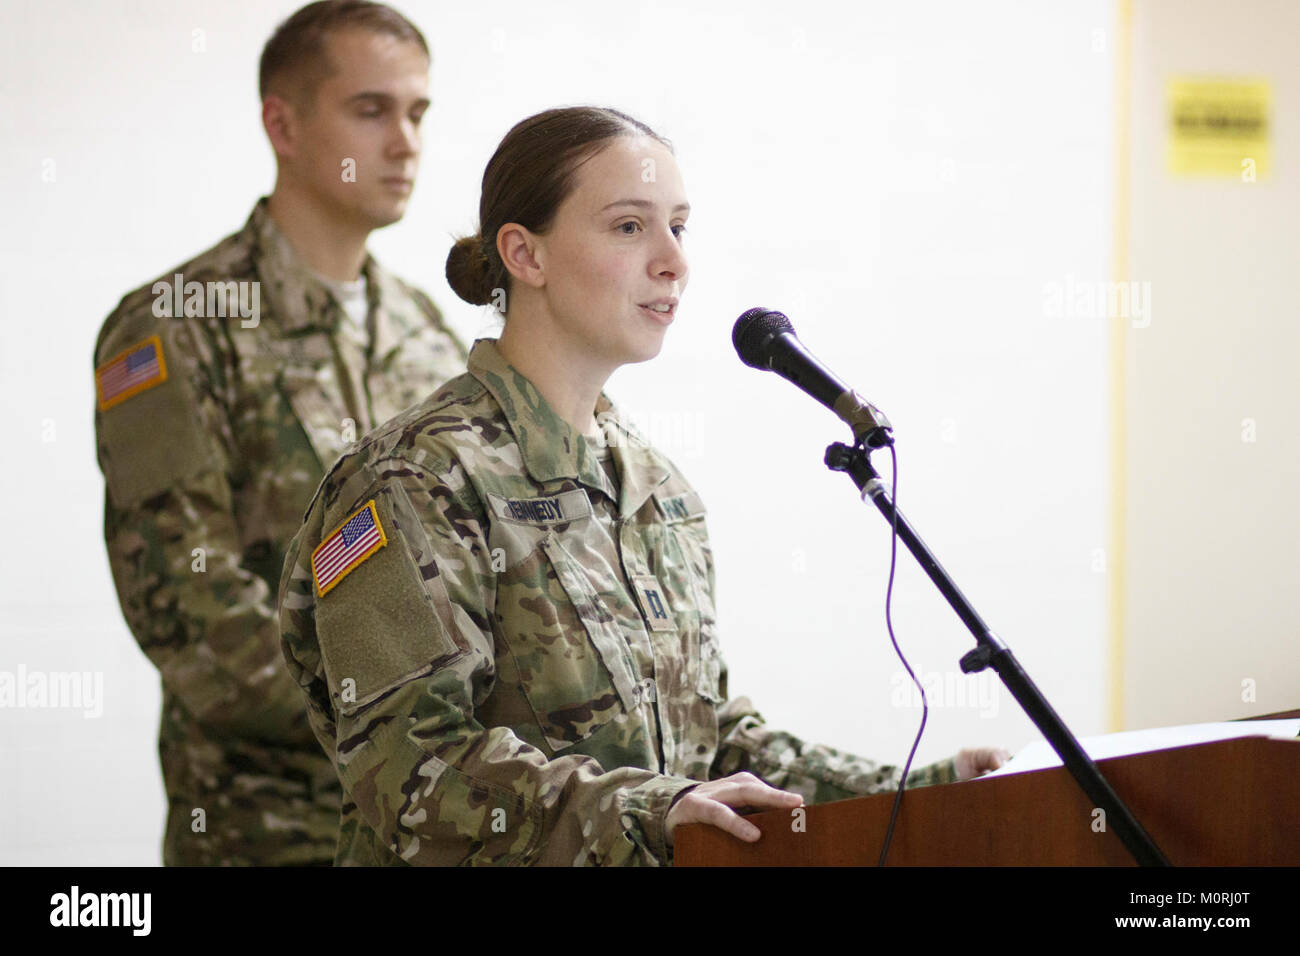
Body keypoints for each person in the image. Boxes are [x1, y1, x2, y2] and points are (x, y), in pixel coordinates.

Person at [278, 105, 1007, 866]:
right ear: (525, 255)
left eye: (679, 228)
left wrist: (924, 790)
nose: (673, 261)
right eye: (630, 227)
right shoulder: (413, 480)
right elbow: (409, 771)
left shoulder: (657, 486)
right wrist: (652, 812)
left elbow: (711, 742)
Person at [93, 0, 467, 866]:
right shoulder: (173, 329)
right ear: (283, 124)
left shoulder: (424, 332)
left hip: (424, 836)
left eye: (418, 113)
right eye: (371, 111)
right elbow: (193, 619)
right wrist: (410, 724)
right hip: (266, 835)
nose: (405, 142)